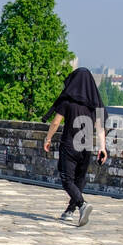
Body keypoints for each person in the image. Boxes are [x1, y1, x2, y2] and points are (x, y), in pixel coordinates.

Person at [43, 67, 108, 227]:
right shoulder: (96, 105)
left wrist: (48, 138)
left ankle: (82, 205)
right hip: (86, 147)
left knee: (67, 180)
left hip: (70, 144)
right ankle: (70, 212)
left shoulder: (67, 101)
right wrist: (102, 148)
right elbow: (100, 129)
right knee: (79, 179)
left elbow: (56, 122)